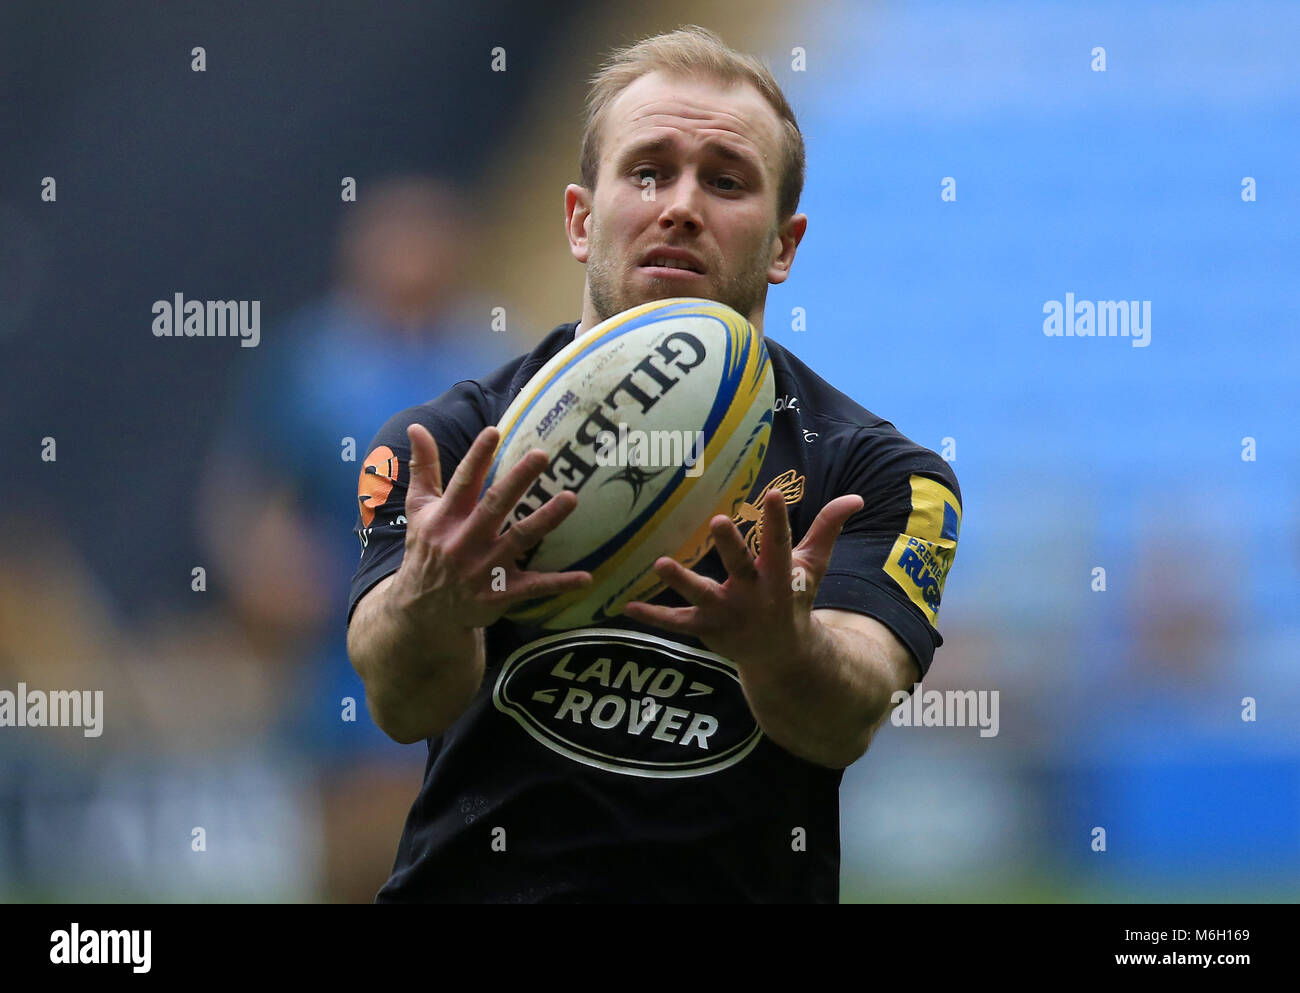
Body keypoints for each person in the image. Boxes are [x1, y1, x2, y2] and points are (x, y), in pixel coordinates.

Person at [346, 26, 962, 903]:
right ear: (580, 219)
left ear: (784, 245)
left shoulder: (879, 474)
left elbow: (844, 720)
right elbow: (401, 702)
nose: (680, 205)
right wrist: (431, 598)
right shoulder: (451, 443)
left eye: (725, 180)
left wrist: (780, 648)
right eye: (647, 172)